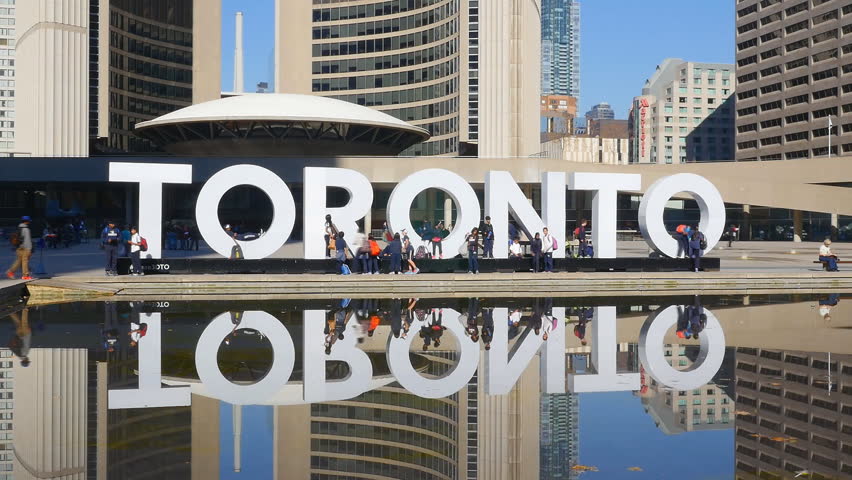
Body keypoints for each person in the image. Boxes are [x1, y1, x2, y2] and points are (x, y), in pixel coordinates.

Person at [6, 216, 33, 280]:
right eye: (29, 221)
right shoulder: (26, 229)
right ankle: (25, 275)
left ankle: (10, 272)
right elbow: (27, 240)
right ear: (27, 221)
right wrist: (30, 249)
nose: (29, 222)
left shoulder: (18, 228)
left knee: (19, 261)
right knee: (25, 261)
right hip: (25, 248)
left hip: (18, 248)